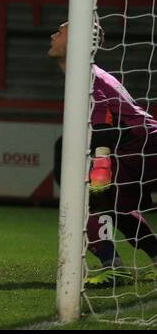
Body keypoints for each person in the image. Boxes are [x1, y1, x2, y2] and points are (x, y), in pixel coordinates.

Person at [49, 20, 157, 285]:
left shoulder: (88, 79)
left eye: (60, 31)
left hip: (139, 145)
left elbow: (103, 129)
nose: (53, 34)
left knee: (83, 202)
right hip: (143, 144)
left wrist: (100, 169)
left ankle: (113, 268)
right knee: (119, 209)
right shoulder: (90, 74)